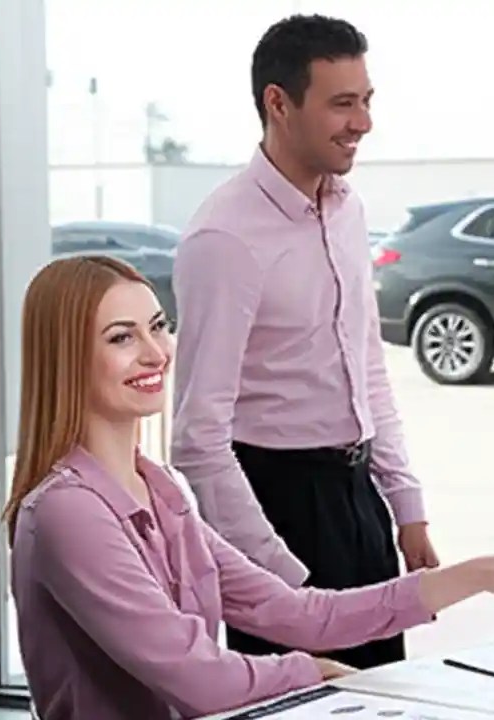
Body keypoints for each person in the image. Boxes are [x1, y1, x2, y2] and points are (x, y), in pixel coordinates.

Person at [3, 256, 494, 720]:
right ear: (68, 355)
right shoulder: (67, 513)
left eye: (158, 326)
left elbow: (296, 612)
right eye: (121, 338)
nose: (156, 353)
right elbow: (198, 677)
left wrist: (492, 573)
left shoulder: (162, 491)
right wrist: (314, 672)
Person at [170, 14, 432, 669]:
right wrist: (274, 567)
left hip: (358, 499)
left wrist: (405, 508)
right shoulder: (224, 239)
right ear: (278, 104)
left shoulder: (349, 210)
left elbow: (367, 370)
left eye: (367, 100)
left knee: (384, 704)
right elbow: (198, 436)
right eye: (342, 103)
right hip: (279, 507)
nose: (363, 122)